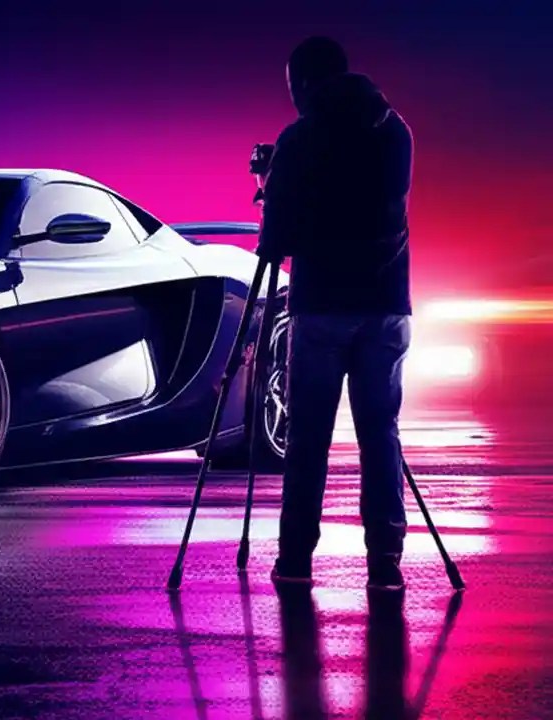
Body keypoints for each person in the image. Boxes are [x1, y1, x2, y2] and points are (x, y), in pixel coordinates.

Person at [257, 37, 414, 592]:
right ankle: (385, 562)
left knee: (308, 438)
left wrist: (268, 185)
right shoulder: (395, 132)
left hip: (322, 305)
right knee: (380, 432)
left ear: (305, 82)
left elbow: (277, 240)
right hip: (386, 304)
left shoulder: (299, 139)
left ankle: (295, 561)